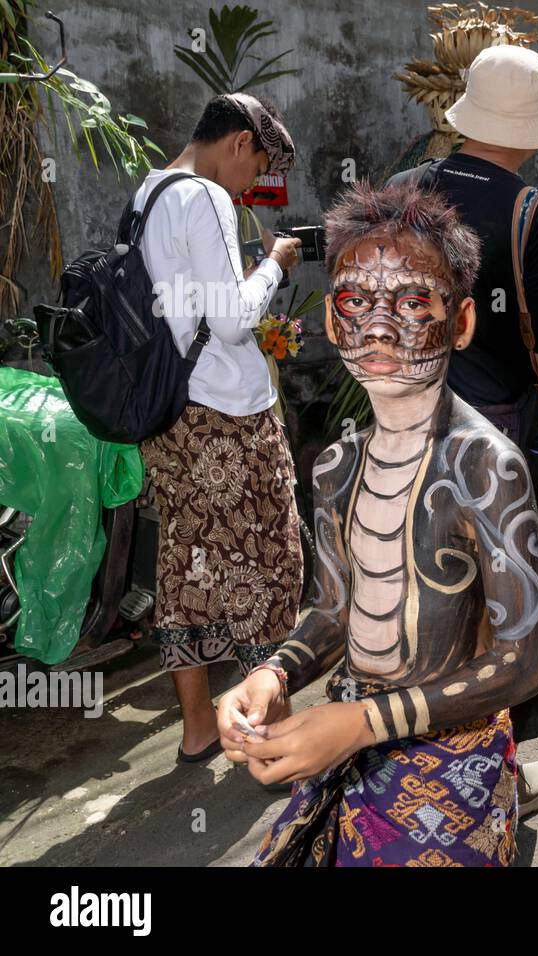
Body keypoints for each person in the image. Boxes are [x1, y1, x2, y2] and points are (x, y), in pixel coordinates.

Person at [225, 180, 538, 866]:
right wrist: (275, 674)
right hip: (347, 742)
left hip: (452, 756)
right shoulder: (335, 467)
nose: (378, 327)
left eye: (411, 302)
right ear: (330, 320)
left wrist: (361, 723)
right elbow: (333, 609)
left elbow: (525, 658)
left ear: (460, 323)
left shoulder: (483, 469)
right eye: (355, 302)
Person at [387, 44, 538, 815]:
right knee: (504, 611)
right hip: (493, 451)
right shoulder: (535, 215)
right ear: (534, 130)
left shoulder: (400, 193)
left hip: (401, 439)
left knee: (419, 603)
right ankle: (490, 781)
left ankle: (415, 770)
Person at [133, 93, 304, 764]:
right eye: (256, 166)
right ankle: (271, 726)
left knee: (186, 560)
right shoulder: (202, 196)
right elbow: (232, 319)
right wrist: (275, 264)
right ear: (237, 142)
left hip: (171, 416)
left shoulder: (148, 194)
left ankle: (200, 727)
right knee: (270, 563)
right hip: (226, 416)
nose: (251, 184)